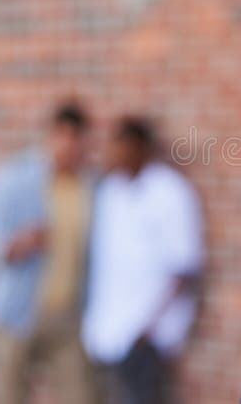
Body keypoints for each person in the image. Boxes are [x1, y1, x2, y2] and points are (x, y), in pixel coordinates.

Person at [0, 102, 97, 404]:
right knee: (12, 396)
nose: (68, 145)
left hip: (67, 316)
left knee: (82, 395)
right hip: (18, 311)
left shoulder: (90, 185)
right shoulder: (12, 178)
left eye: (76, 138)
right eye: (62, 136)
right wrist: (19, 243)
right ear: (50, 136)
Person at [82, 116, 204, 404]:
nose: (110, 153)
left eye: (118, 145)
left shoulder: (169, 192)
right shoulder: (110, 190)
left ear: (138, 147)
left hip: (146, 340)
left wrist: (145, 332)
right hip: (106, 334)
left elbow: (183, 269)